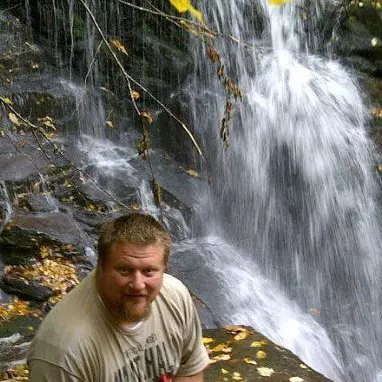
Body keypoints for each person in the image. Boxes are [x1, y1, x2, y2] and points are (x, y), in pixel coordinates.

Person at [27, 212, 210, 381]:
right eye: (125, 270)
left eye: (149, 271)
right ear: (101, 267)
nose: (138, 285)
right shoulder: (63, 352)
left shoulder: (175, 297)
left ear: (164, 270)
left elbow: (190, 371)